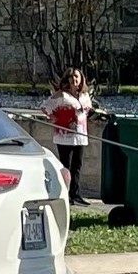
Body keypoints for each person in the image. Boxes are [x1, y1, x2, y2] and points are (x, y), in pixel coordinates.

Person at [43, 68, 95, 205]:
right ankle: (64, 194)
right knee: (66, 165)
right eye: (71, 77)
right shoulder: (61, 96)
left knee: (77, 166)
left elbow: (88, 110)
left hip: (81, 135)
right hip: (65, 136)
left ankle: (75, 194)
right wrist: (55, 118)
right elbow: (45, 107)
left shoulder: (84, 95)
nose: (74, 80)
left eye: (77, 77)